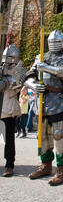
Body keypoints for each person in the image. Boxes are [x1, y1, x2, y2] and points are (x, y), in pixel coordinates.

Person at [24, 29, 63, 186]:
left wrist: (45, 68)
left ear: (62, 42)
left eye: (57, 41)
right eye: (52, 41)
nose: (54, 44)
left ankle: (61, 170)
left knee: (58, 135)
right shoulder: (42, 56)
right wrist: (35, 85)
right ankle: (46, 166)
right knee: (42, 136)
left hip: (58, 100)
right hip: (42, 101)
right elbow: (28, 76)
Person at [0, 44, 26, 177]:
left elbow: (17, 83)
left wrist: (4, 80)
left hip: (8, 108)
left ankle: (9, 164)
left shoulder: (20, 70)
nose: (6, 60)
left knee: (9, 138)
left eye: (9, 57)